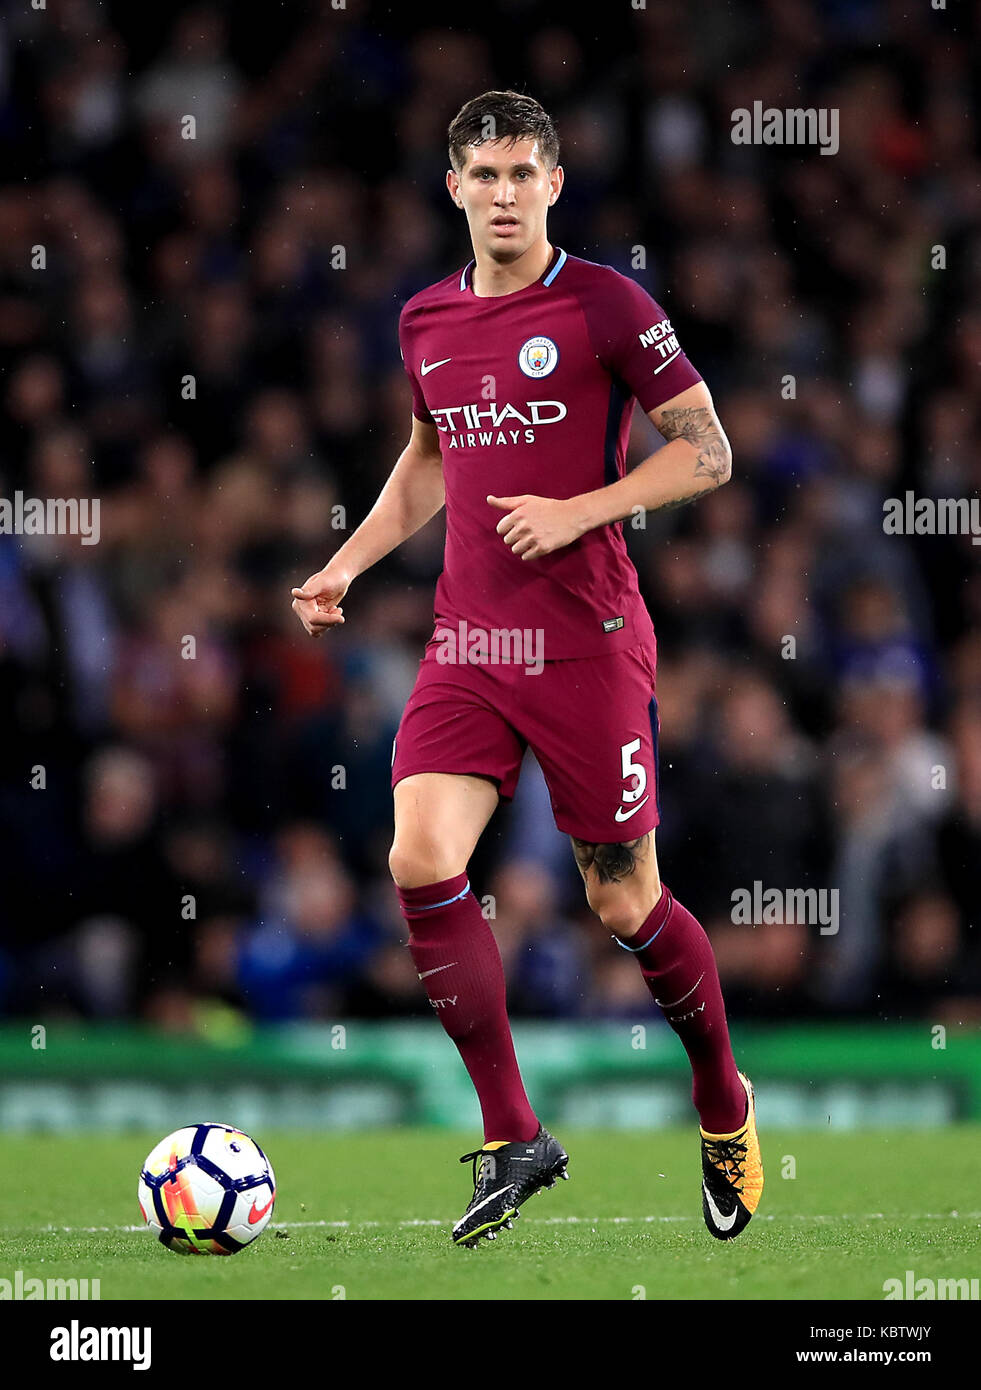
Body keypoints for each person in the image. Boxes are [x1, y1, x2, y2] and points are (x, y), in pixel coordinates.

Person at [291, 90, 763, 1246]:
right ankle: (514, 1136)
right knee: (417, 853)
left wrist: (581, 510)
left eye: (523, 174)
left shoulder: (606, 302)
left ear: (555, 184)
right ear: (452, 187)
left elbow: (707, 450)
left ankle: (724, 1102)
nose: (504, 194)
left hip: (588, 645)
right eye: (483, 175)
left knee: (622, 898)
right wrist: (345, 565)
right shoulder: (422, 321)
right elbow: (426, 460)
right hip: (469, 643)